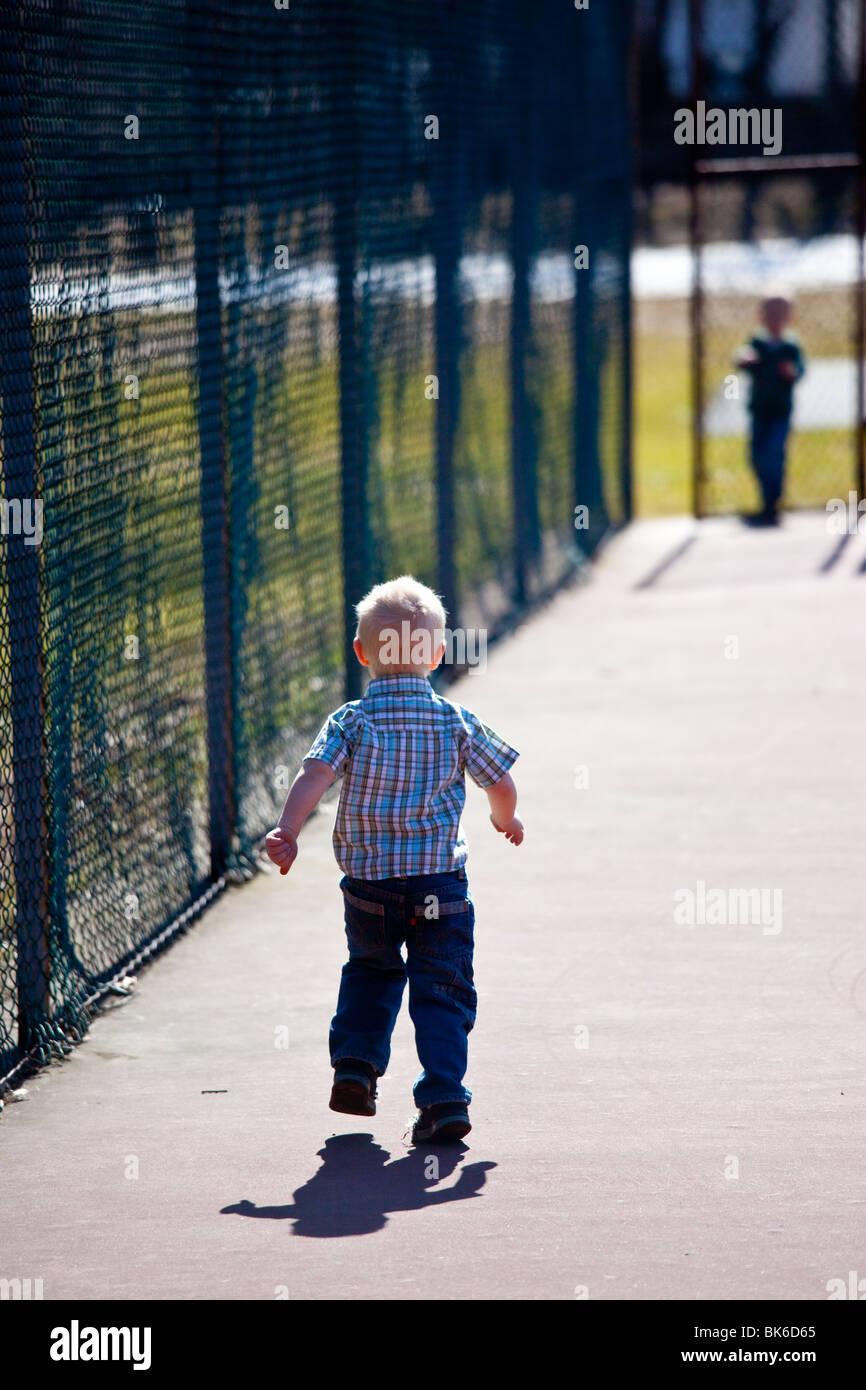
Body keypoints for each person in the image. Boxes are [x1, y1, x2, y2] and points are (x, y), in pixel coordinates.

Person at [265, 575, 522, 1143]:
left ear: (361, 653)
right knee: (442, 986)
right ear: (435, 654)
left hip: (370, 887)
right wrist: (505, 821)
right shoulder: (455, 721)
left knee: (371, 970)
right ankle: (444, 1096)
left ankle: (355, 1068)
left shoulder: (352, 721)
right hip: (440, 887)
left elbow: (315, 775)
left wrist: (288, 829)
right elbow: (499, 782)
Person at [734, 292, 806, 525]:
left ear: (789, 317)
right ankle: (766, 498)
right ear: (761, 316)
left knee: (775, 455)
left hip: (780, 411)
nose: (775, 318)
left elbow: (800, 371)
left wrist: (791, 373)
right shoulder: (757, 344)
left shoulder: (790, 346)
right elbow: (741, 358)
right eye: (770, 313)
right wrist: (745, 359)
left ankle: (772, 504)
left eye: (780, 313)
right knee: (756, 456)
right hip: (759, 410)